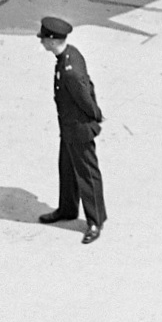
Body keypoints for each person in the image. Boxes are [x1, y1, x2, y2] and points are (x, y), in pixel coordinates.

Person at [38, 15, 106, 242]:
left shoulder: (70, 70)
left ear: (51, 40)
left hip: (78, 128)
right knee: (66, 169)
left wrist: (96, 115)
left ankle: (95, 221)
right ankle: (67, 208)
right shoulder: (70, 54)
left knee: (87, 174)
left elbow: (84, 97)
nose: (41, 42)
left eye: (43, 39)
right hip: (68, 127)